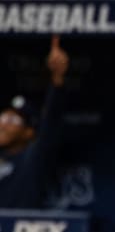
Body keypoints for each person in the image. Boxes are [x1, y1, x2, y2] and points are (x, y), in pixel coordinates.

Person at [0, 38, 70, 209]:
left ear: (29, 132)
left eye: (13, 121)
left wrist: (58, 78)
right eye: (2, 117)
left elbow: (51, 122)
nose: (3, 124)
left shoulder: (32, 157)